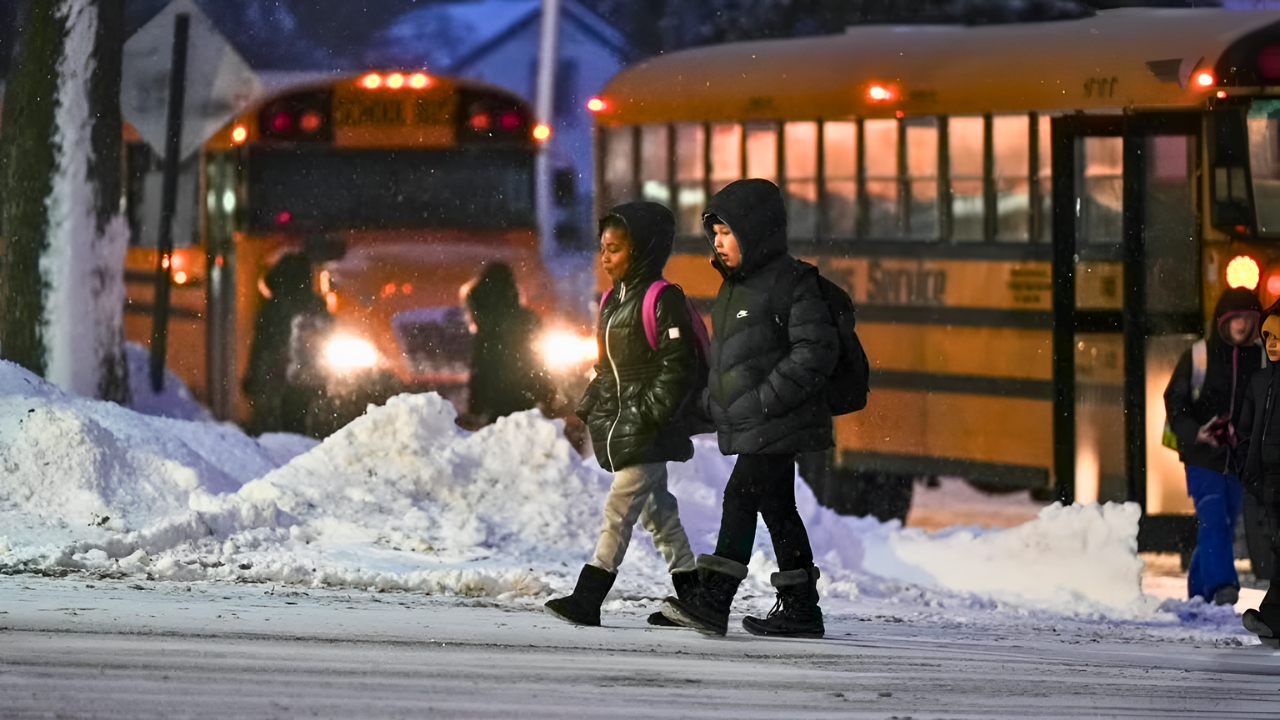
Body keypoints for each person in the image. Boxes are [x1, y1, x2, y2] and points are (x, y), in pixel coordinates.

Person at [660, 179, 838, 638]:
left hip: (778, 419)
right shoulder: (734, 289)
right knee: (778, 507)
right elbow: (733, 364)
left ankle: (714, 599)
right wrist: (708, 404)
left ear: (756, 232)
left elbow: (815, 352)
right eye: (714, 234)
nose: (719, 243)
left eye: (728, 232)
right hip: (760, 420)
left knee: (741, 496)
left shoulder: (793, 283)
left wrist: (763, 402)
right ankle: (801, 607)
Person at [544, 202, 702, 627]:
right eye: (602, 248)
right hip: (627, 422)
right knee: (659, 513)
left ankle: (588, 597)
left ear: (643, 250)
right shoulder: (613, 300)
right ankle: (695, 597)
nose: (605, 257)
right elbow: (609, 367)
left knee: (620, 508)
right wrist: (593, 403)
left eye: (614, 249)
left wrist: (648, 415)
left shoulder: (661, 299)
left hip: (648, 427)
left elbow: (677, 368)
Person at [1164, 286, 1264, 606]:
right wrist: (1197, 433)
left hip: (1238, 457)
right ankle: (1223, 586)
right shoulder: (1200, 355)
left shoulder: (1262, 358)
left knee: (1220, 523)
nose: (1243, 326)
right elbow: (1174, 399)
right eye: (1237, 319)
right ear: (1223, 321)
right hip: (1201, 456)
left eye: (1249, 319)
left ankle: (1198, 597)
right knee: (1214, 519)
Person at [243, 253, 328, 435]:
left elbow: (260, 347)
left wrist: (253, 377)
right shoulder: (316, 310)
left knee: (274, 429)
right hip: (307, 383)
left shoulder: (270, 310)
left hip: (275, 382)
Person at [464, 262, 553, 425]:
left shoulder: (486, 331)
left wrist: (475, 407)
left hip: (495, 400)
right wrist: (547, 393)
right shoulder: (528, 320)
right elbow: (539, 362)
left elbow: (480, 369)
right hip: (525, 395)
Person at [1236, 309, 1280, 639]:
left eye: (1278, 337)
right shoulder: (1261, 381)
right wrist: (1248, 470)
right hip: (1267, 479)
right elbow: (1246, 430)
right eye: (1268, 337)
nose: (1272, 344)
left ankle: (1272, 617)